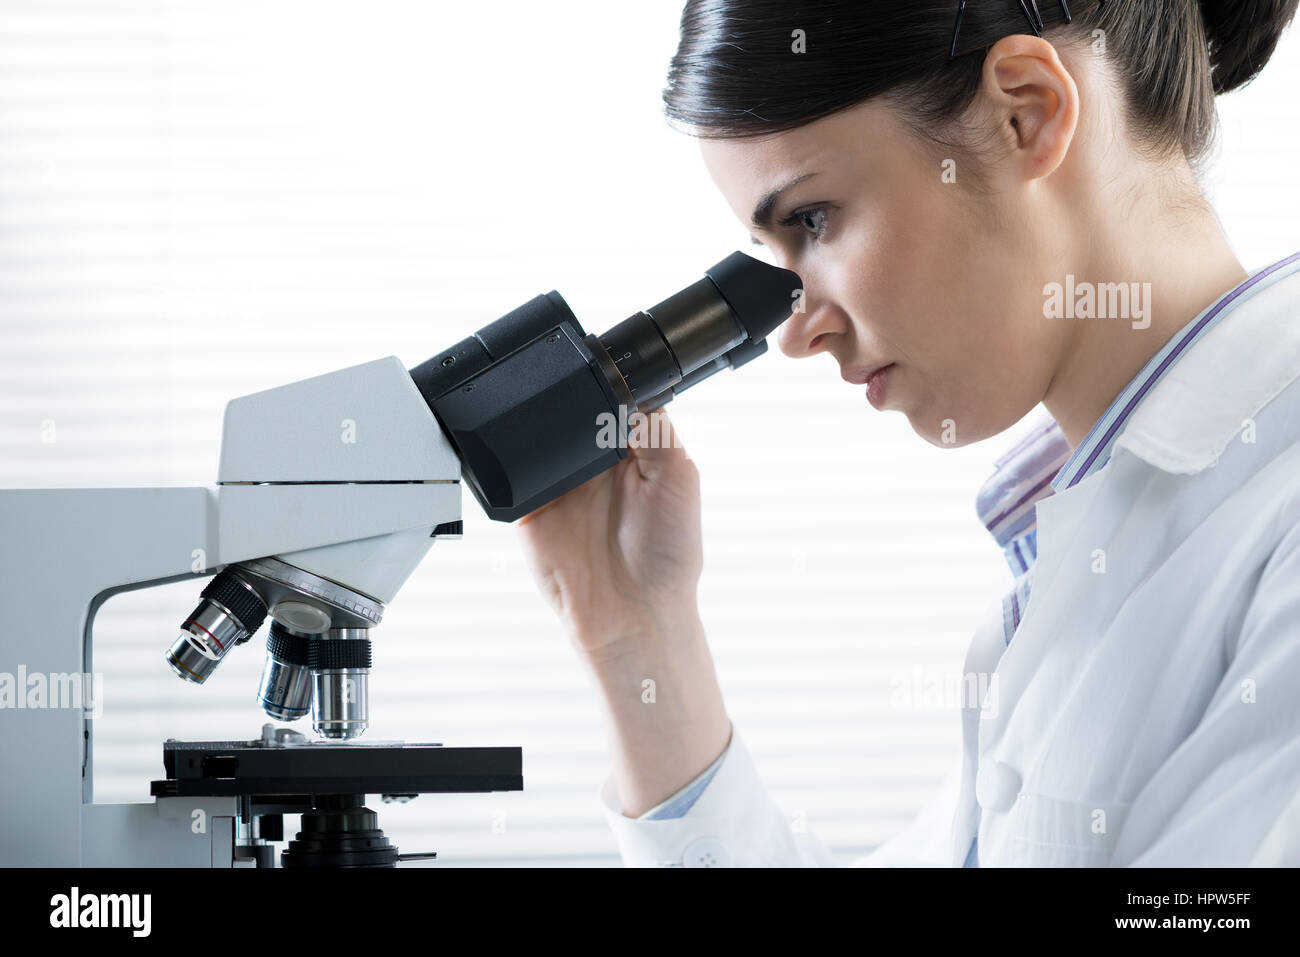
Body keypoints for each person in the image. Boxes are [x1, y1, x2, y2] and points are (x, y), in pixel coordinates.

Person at [517, 0, 1300, 866]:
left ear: (1025, 113)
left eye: (812, 220)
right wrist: (638, 634)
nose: (794, 330)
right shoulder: (1083, 547)